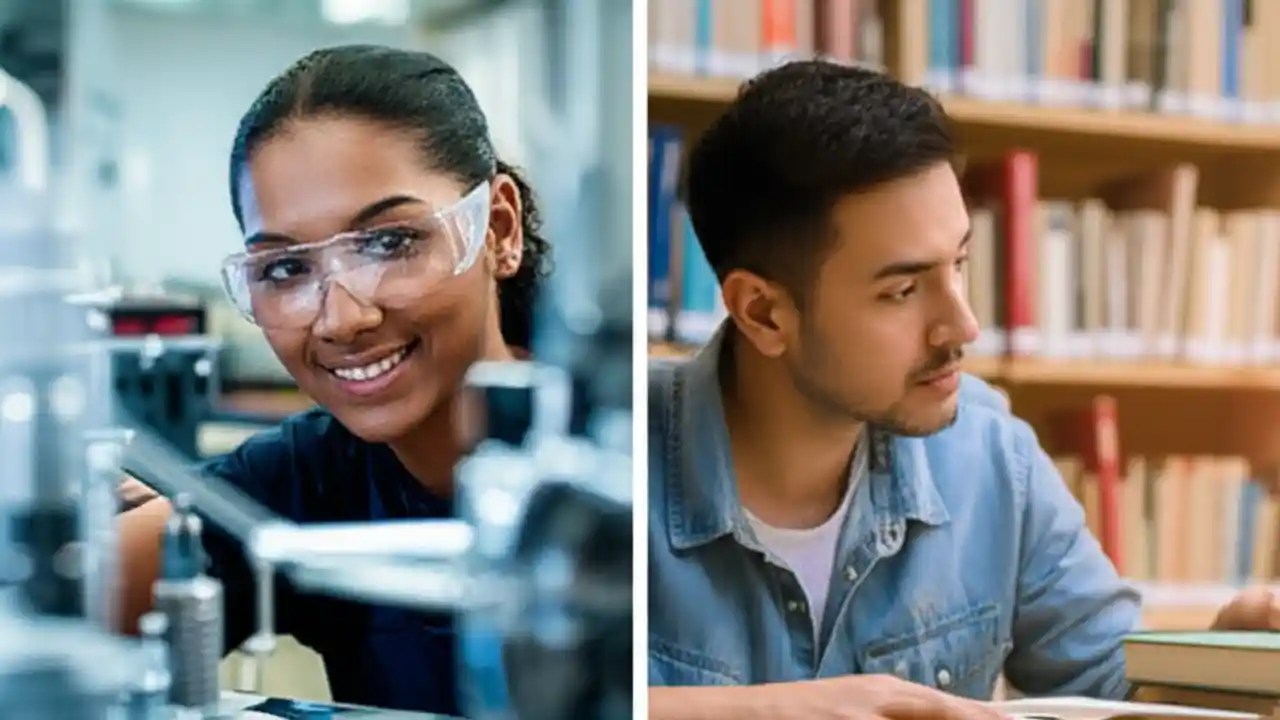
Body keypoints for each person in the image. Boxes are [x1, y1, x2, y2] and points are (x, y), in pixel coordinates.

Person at [647, 59, 1280, 720]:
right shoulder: (612, 460)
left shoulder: (992, 457)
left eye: (960, 263)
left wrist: (1224, 668)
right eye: (902, 291)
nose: (964, 325)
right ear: (762, 314)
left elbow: (1114, 694)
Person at [116, 44, 550, 716]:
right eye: (286, 270)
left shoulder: (610, 452)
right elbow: (71, 608)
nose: (342, 319)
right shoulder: (305, 479)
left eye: (390, 243)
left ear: (498, 230)